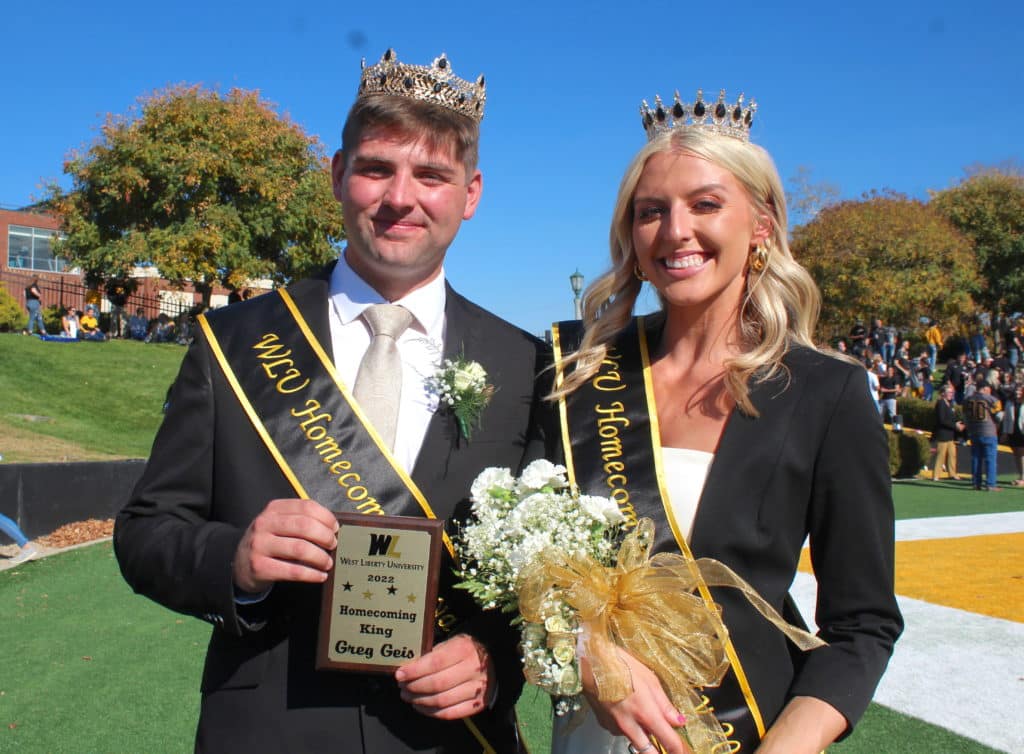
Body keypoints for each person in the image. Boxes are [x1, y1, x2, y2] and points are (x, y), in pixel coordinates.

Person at [114, 48, 551, 754]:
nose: (400, 197)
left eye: (431, 176)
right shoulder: (233, 342)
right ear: (339, 174)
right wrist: (235, 559)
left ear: (470, 195)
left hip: (450, 737)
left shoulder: (526, 363)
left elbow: (545, 574)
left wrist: (494, 661)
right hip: (270, 729)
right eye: (377, 168)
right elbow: (145, 531)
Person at [548, 89, 901, 754]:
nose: (675, 230)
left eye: (705, 204)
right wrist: (587, 651)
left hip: (746, 734)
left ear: (761, 224)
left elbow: (863, 626)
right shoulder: (580, 375)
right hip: (591, 735)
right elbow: (527, 566)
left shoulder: (826, 392)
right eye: (651, 211)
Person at [963, 380, 1002, 491]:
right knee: (990, 460)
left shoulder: (968, 399)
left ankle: (976, 483)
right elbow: (999, 412)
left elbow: (965, 414)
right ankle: (990, 484)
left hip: (974, 432)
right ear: (985, 389)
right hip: (988, 431)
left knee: (976, 458)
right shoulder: (990, 398)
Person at [932, 384, 963, 481]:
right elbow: (942, 420)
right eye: (949, 392)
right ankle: (936, 475)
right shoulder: (941, 403)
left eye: (952, 392)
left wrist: (957, 423)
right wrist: (955, 426)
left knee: (952, 454)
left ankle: (952, 473)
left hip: (950, 434)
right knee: (941, 455)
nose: (951, 394)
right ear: (943, 393)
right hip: (943, 434)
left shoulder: (951, 404)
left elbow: (951, 418)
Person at [1001, 384, 1024, 486]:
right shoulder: (1009, 402)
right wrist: (1005, 433)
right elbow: (1006, 419)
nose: (1017, 392)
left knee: (1022, 454)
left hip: (1022, 431)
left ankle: (1023, 478)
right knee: (1017, 455)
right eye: (1016, 390)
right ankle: (1021, 475)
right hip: (1013, 431)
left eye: (1020, 390)